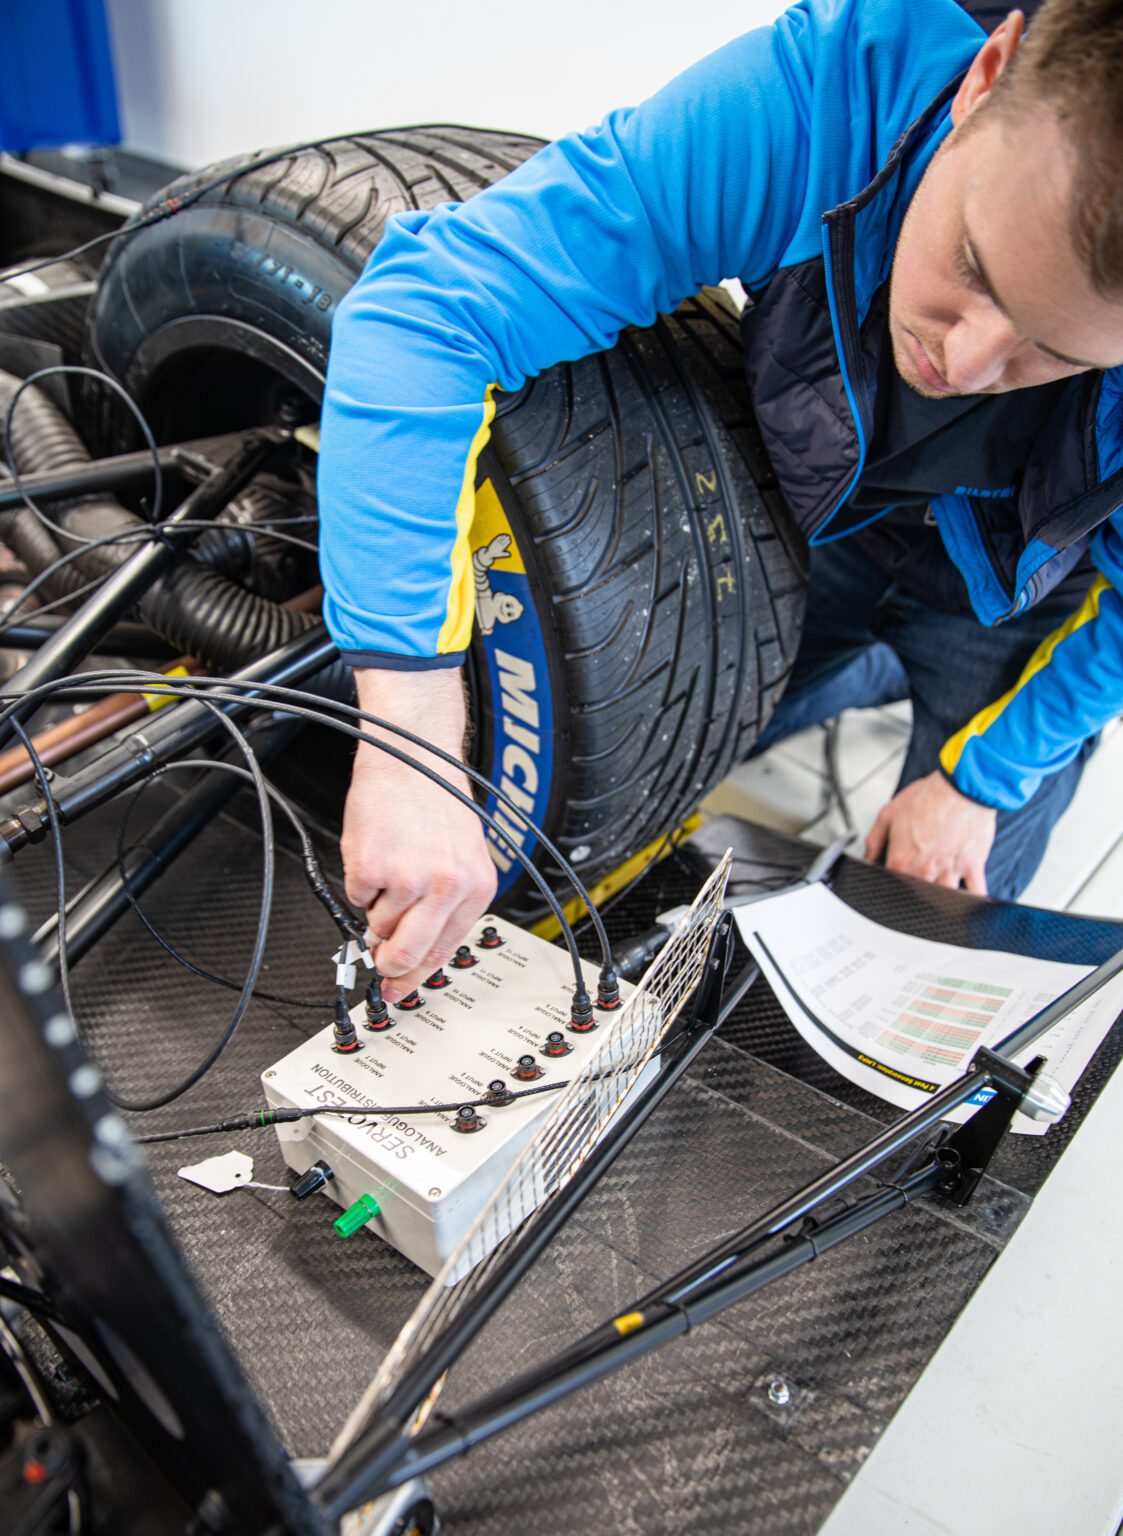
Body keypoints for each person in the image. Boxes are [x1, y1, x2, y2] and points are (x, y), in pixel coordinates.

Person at [317, 0, 1123, 1000]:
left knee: (936, 937)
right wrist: (410, 743)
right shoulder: (823, 102)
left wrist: (975, 783)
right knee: (631, 775)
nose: (960, 360)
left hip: (1019, 606)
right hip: (815, 523)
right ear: (984, 76)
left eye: (1053, 351)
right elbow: (423, 314)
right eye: (972, 264)